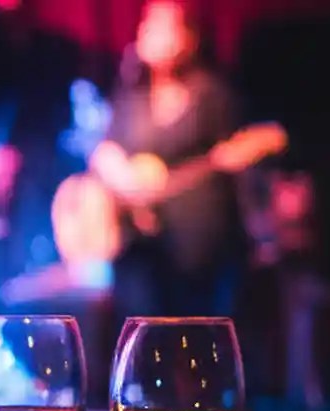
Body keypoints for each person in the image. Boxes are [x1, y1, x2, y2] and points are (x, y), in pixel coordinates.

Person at [88, 0, 252, 320]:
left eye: (166, 25)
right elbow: (104, 150)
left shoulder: (211, 95)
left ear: (189, 38)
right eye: (149, 24)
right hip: (141, 250)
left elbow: (237, 163)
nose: (152, 33)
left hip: (199, 249)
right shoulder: (130, 97)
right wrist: (121, 175)